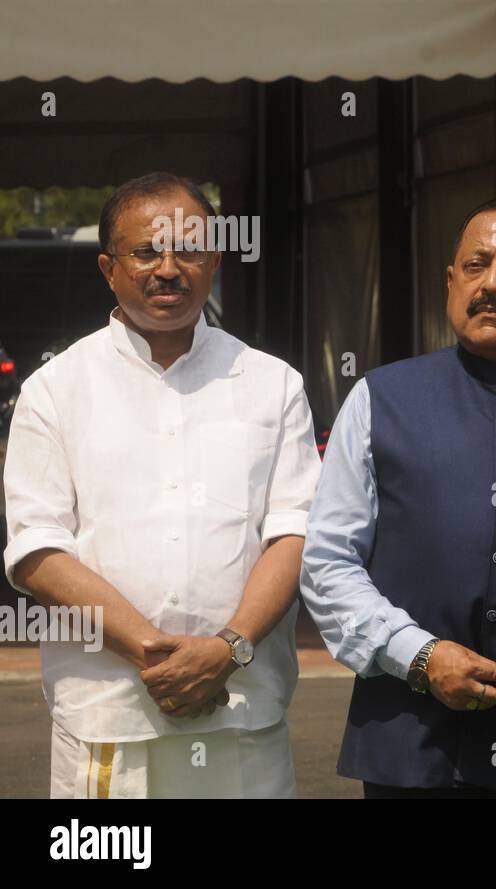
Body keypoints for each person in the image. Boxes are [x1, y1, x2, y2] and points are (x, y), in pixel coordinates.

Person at [4, 172, 319, 798]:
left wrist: (226, 651)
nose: (168, 268)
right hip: (109, 721)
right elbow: (37, 550)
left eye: (190, 250)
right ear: (109, 268)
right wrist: (161, 657)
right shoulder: (55, 390)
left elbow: (296, 532)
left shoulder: (272, 384)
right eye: (146, 251)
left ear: (214, 260)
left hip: (240, 716)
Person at [301, 197, 496, 798]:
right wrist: (419, 656)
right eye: (474, 265)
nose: (490, 284)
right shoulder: (380, 398)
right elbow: (328, 561)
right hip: (410, 747)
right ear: (450, 281)